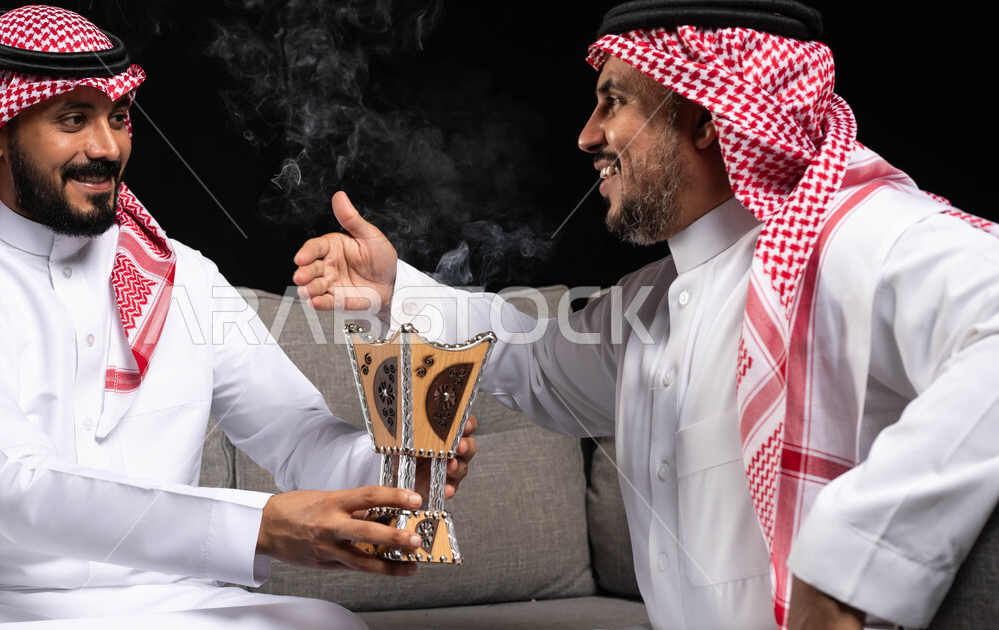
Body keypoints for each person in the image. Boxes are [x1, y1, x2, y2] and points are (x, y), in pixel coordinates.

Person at [292, 1, 999, 628]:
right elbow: (531, 362)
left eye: (614, 100)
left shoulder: (861, 240)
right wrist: (394, 290)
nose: (587, 136)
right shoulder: (653, 297)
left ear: (706, 117)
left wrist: (849, 562)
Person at [0, 6, 475, 629]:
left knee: (331, 625)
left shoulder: (183, 276)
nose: (106, 148)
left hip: (175, 601)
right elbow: (22, 489)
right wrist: (260, 528)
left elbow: (297, 435)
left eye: (119, 119)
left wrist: (401, 467)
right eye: (73, 119)